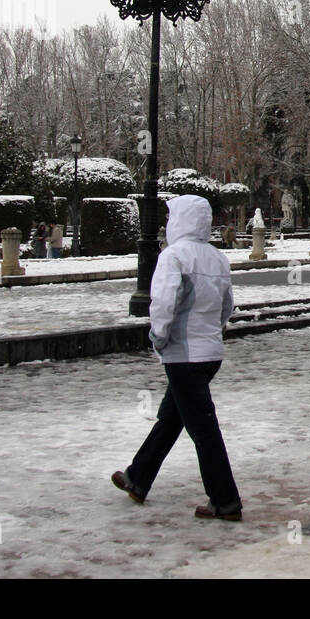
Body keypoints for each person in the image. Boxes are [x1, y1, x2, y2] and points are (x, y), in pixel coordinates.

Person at [112, 195, 243, 521]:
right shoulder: (217, 258)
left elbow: (163, 304)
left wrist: (158, 337)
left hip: (184, 354)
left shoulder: (174, 256)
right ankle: (138, 477)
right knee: (171, 418)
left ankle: (225, 501)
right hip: (210, 353)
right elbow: (227, 305)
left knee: (203, 429)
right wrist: (214, 332)